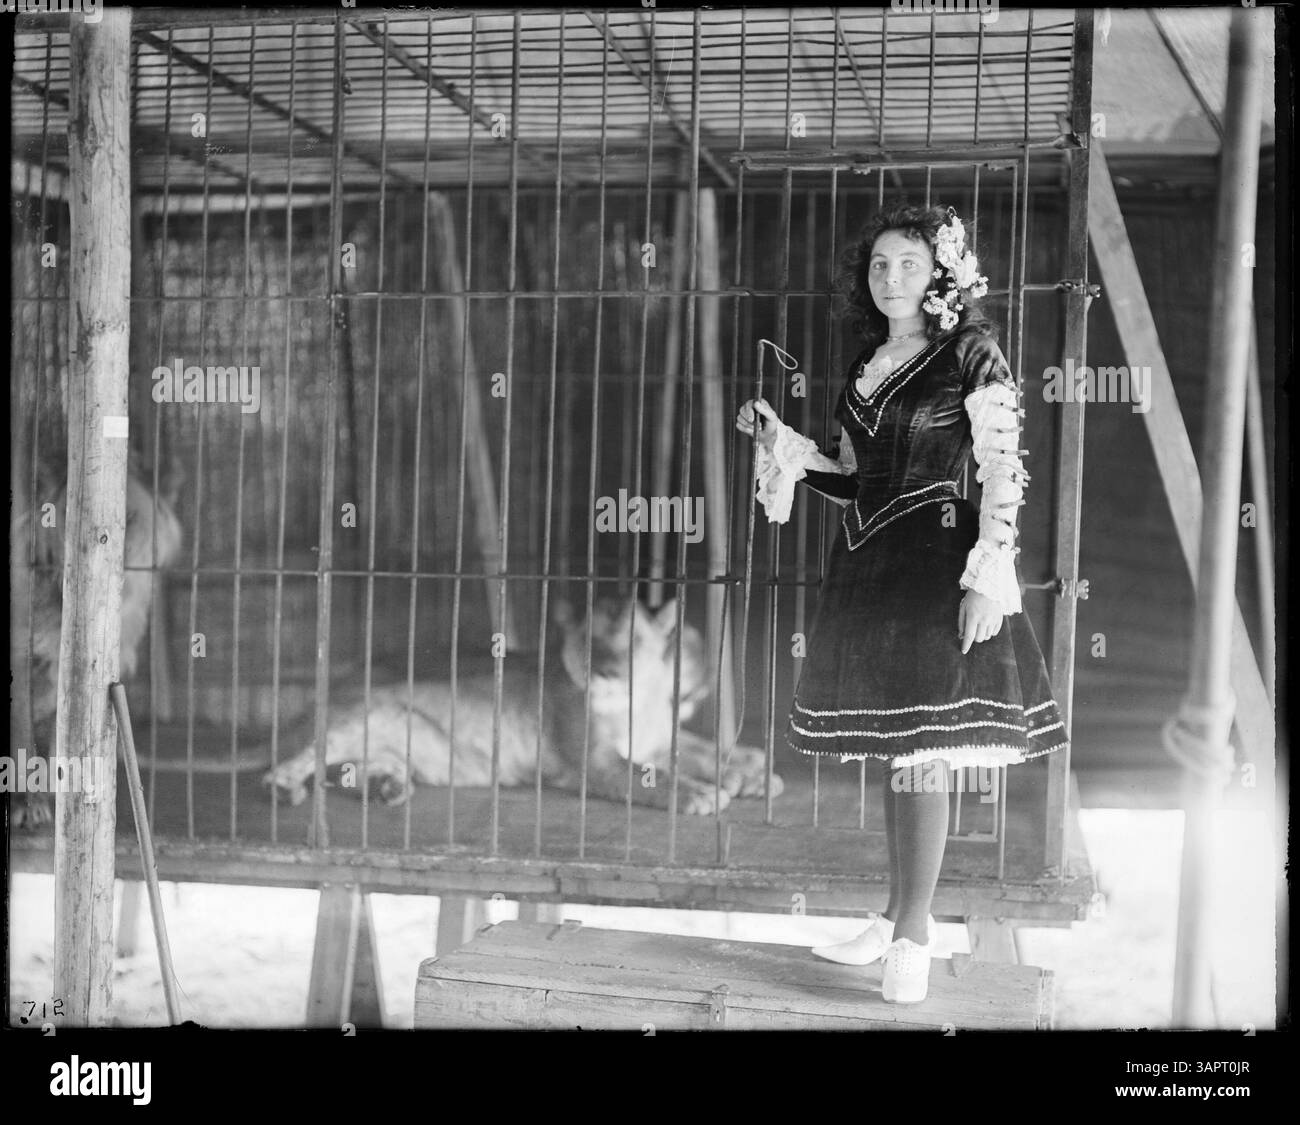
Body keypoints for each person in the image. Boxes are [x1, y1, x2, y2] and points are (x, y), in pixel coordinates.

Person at [736, 203, 1067, 1004]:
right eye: (879, 265)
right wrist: (781, 441)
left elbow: (1001, 470)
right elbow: (853, 481)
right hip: (867, 568)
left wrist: (989, 575)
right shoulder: (863, 365)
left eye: (908, 264)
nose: (891, 278)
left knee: (926, 754)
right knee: (901, 749)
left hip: (937, 567)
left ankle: (915, 940)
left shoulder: (971, 354)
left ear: (942, 274)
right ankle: (892, 920)